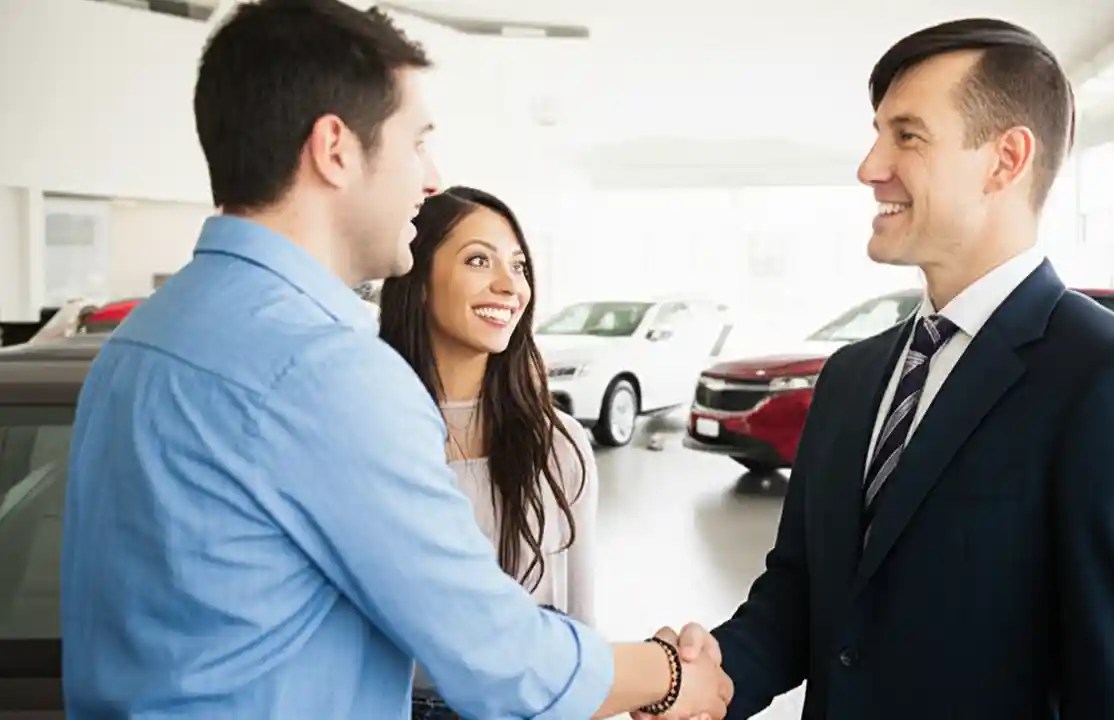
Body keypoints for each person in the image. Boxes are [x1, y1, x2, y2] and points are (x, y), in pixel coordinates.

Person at [59, 1, 731, 718]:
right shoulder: (325, 371)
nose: (432, 177)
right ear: (335, 149)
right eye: (417, 142)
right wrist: (668, 676)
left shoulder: (138, 342)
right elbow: (495, 654)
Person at [645, 18, 1114, 720]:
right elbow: (802, 597)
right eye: (877, 133)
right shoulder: (852, 376)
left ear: (1004, 160)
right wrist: (694, 681)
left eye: (907, 135)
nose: (869, 166)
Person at [378, 186, 600, 719]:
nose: (509, 285)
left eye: (519, 266)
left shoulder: (559, 442)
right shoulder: (370, 435)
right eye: (479, 260)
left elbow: (580, 625)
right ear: (418, 280)